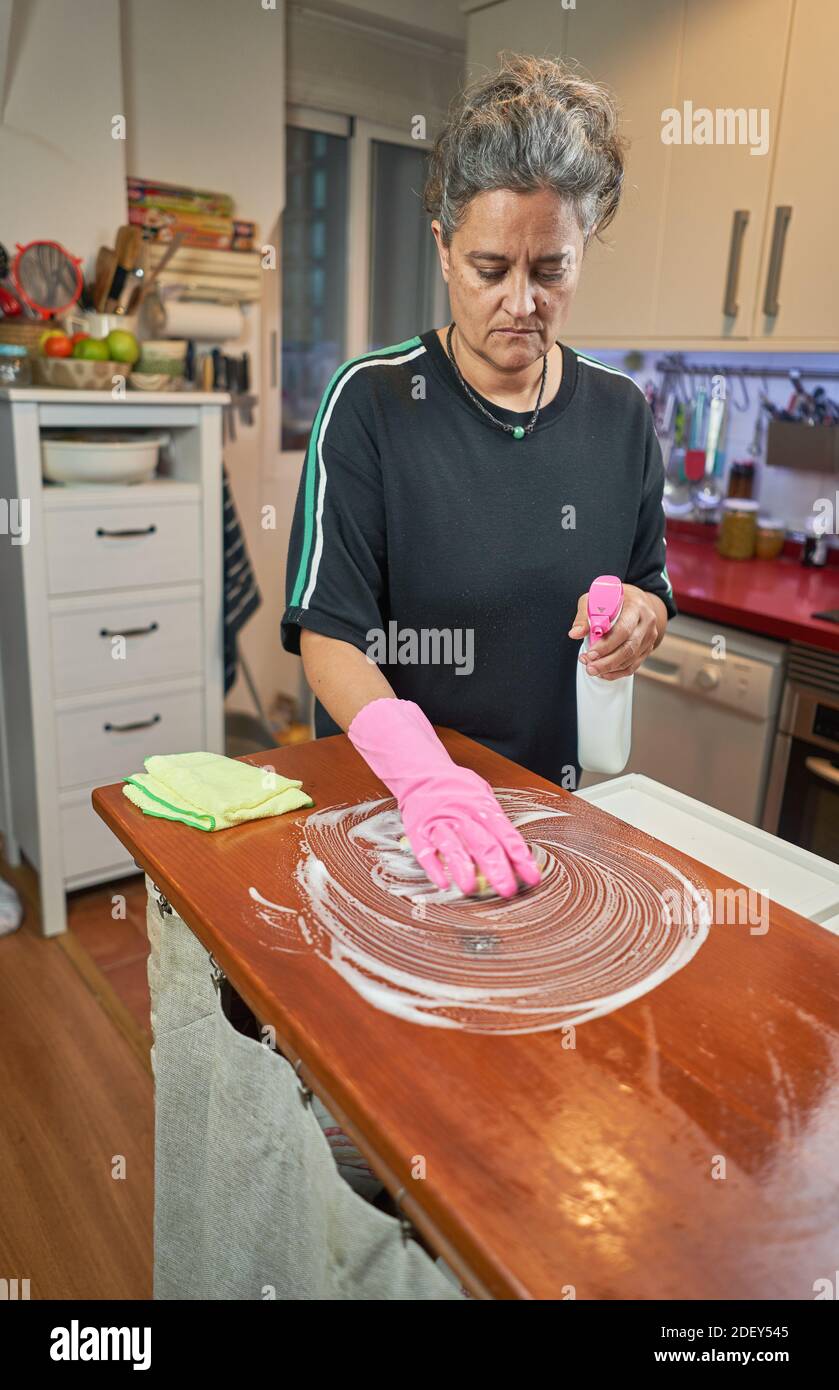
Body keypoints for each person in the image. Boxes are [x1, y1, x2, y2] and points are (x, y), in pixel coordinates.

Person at [282, 54, 676, 900]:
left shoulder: (620, 413)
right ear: (443, 249)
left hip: (551, 814)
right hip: (392, 813)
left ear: (582, 250)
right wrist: (425, 775)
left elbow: (648, 584)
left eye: (550, 270)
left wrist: (642, 617)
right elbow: (329, 634)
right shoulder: (373, 402)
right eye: (490, 269)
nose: (521, 303)